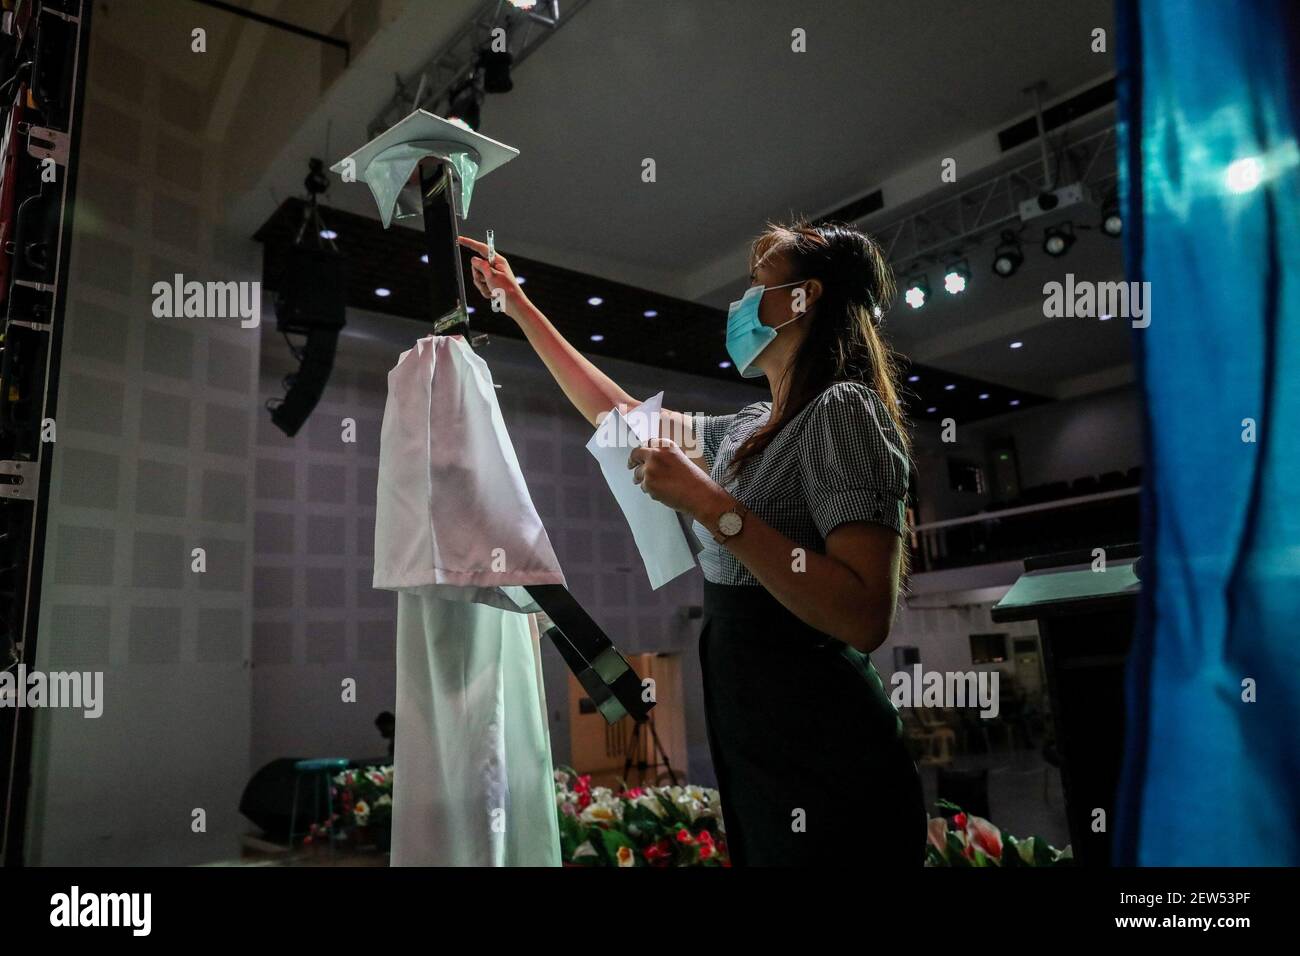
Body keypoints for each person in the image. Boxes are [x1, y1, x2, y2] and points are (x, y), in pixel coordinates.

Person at [457, 220, 925, 866]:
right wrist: (519, 304)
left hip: (827, 746)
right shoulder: (749, 427)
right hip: (757, 744)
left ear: (801, 298)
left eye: (757, 284)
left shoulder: (842, 410)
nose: (738, 305)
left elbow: (864, 613)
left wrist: (709, 505)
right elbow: (619, 417)